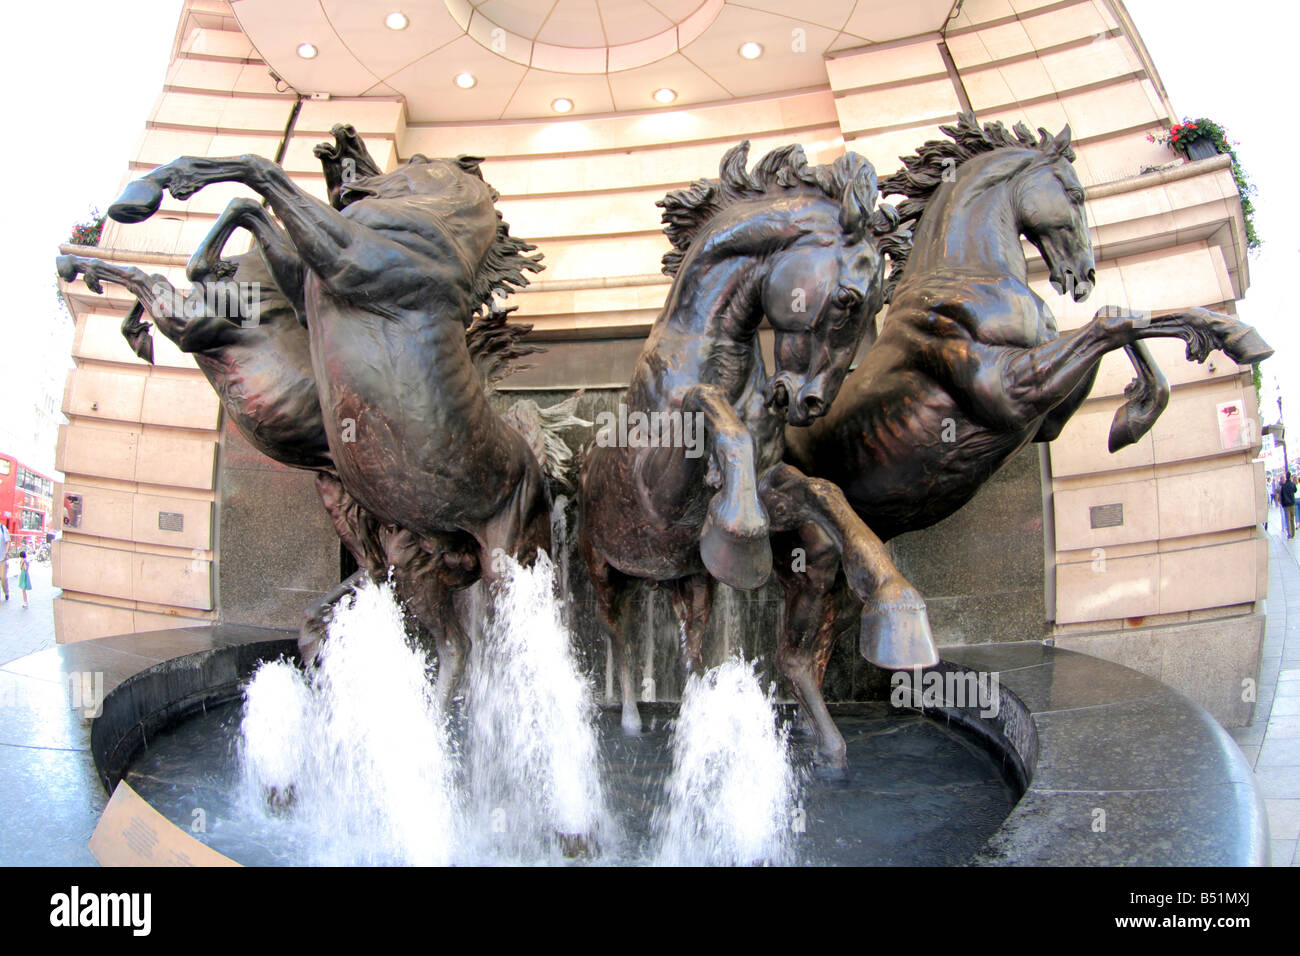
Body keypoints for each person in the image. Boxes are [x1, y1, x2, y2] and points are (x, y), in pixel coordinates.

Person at [1282, 473, 1298, 539]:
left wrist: (1283, 504)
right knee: (1292, 519)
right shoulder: (1292, 484)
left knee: (1287, 519)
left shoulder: (1284, 486)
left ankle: (1289, 534)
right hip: (1292, 504)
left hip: (1286, 505)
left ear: (1286, 477)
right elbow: (1295, 490)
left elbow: (1282, 496)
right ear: (1290, 477)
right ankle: (1293, 533)